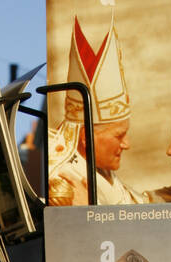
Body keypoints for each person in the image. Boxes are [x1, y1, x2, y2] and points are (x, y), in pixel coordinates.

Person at [48, 14, 155, 207]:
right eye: (119, 135)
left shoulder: (97, 165)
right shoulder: (62, 182)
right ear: (86, 137)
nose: (127, 144)